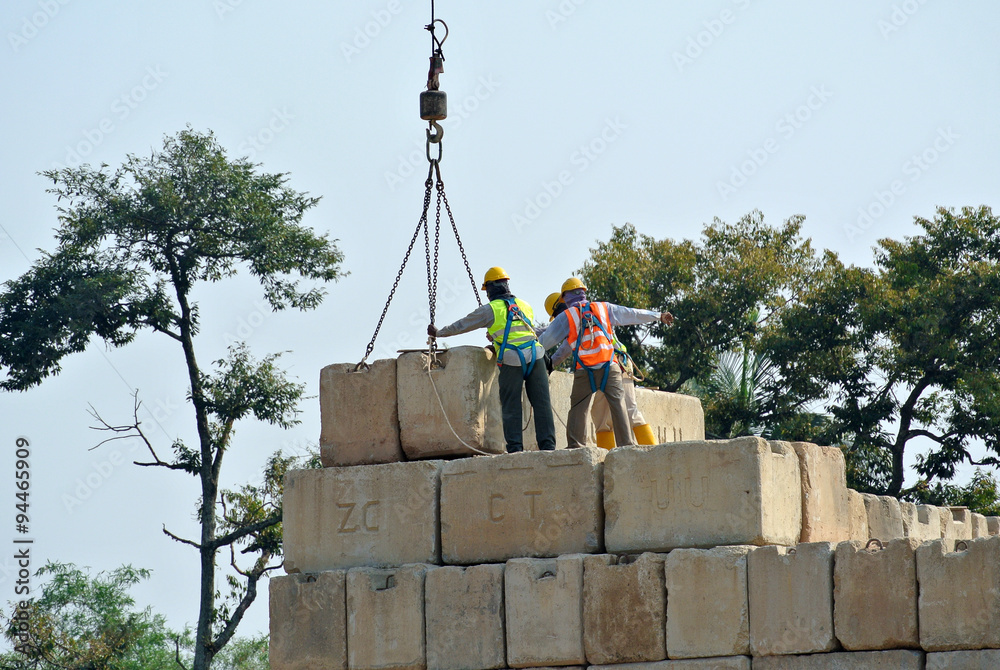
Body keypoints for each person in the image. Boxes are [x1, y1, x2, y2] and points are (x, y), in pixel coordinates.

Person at [428, 266, 556, 453]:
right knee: (542, 403)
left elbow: (464, 324)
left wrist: (439, 333)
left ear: (490, 289)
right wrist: (497, 340)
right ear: (506, 285)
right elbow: (521, 330)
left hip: (512, 359)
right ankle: (549, 448)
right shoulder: (525, 305)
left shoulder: (491, 310)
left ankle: (515, 450)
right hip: (535, 356)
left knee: (511, 405)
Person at [540, 277, 673, 449]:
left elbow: (548, 340)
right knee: (611, 411)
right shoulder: (603, 308)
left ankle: (575, 446)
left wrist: (541, 361)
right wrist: (658, 316)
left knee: (584, 409)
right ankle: (626, 447)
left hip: (593, 368)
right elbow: (631, 313)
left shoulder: (568, 317)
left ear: (565, 298)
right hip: (612, 366)